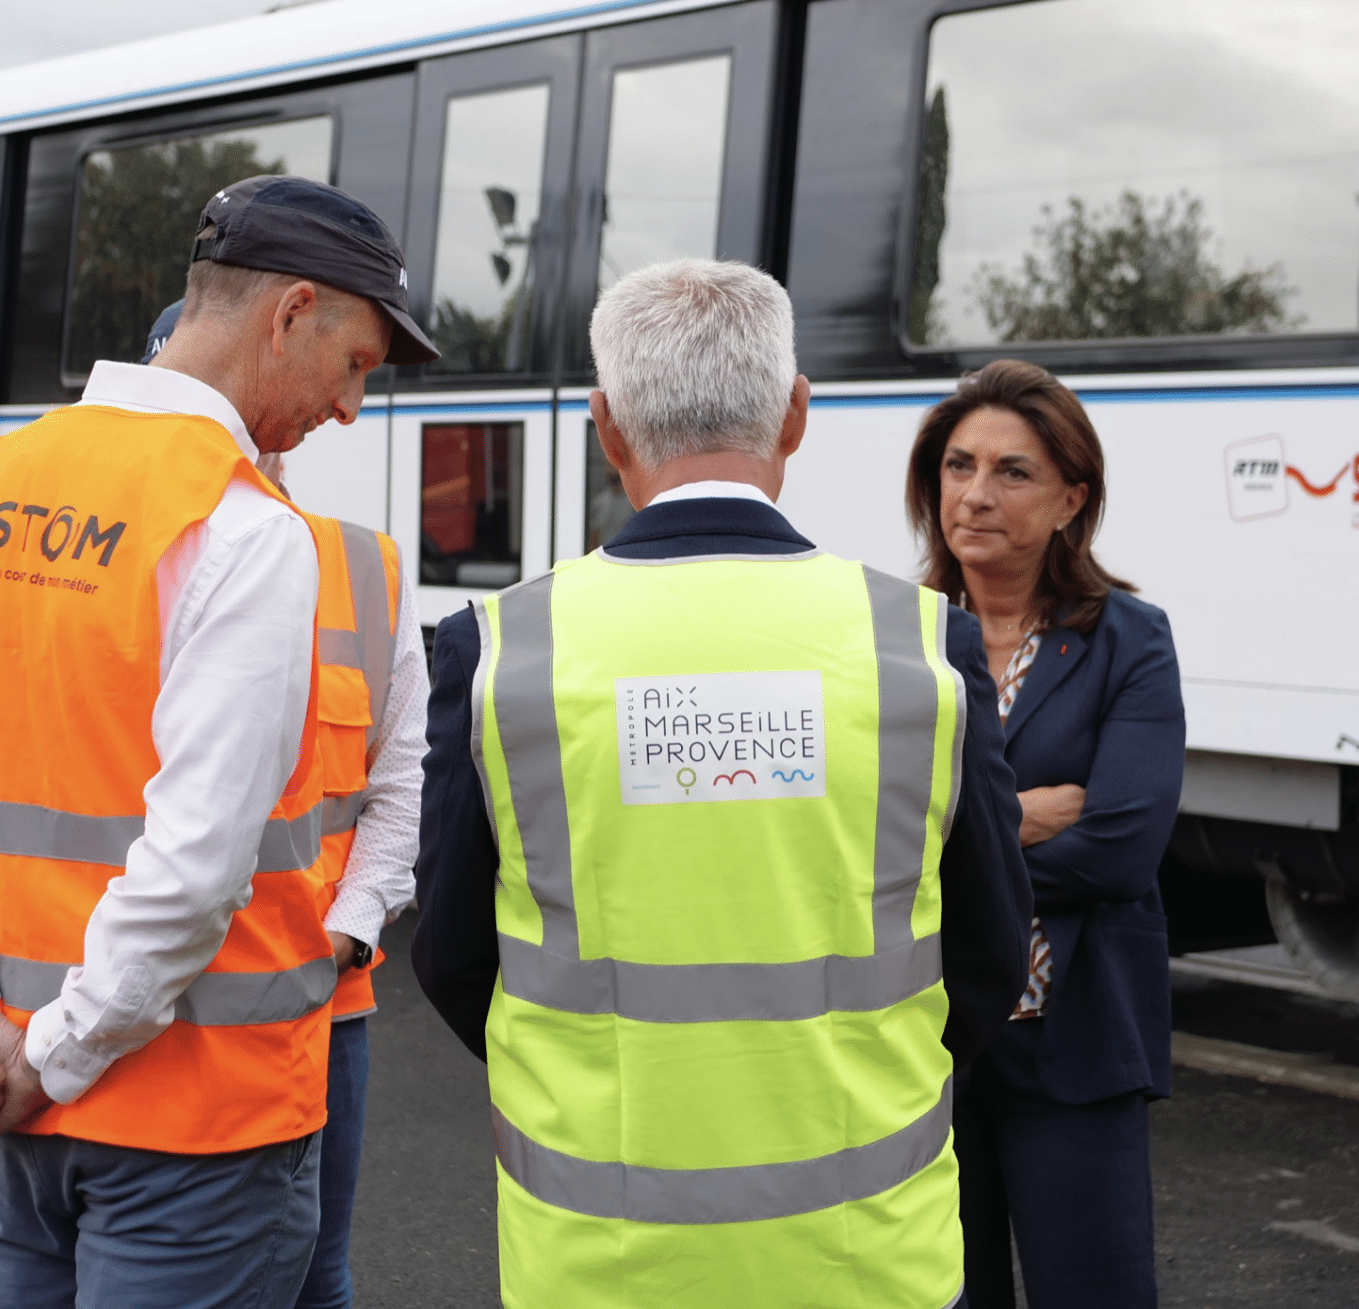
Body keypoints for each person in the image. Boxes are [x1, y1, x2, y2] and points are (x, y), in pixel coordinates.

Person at [0, 174, 438, 1307]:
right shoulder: (243, 529)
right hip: (197, 1132)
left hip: (13, 1127)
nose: (352, 406)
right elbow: (193, 869)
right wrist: (45, 1061)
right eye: (355, 363)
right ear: (290, 314)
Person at [409, 258, 1034, 1309]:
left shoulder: (502, 648)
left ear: (607, 426)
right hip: (869, 1253)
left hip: (597, 1260)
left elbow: (454, 952)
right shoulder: (922, 643)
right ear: (795, 415)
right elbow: (989, 944)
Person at [143, 297, 430, 1309]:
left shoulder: (365, 567)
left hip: (319, 1004)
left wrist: (345, 934)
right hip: (149, 1002)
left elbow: (398, 785)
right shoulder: (140, 554)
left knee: (314, 1277)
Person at [905, 360, 1184, 1309]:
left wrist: (949, 838)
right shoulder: (893, 638)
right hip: (929, 1041)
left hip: (1076, 1040)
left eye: (1012, 471)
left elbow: (1122, 848)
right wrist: (1022, 814)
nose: (976, 494)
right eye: (959, 465)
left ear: (1072, 499)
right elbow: (856, 838)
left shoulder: (1130, 638)